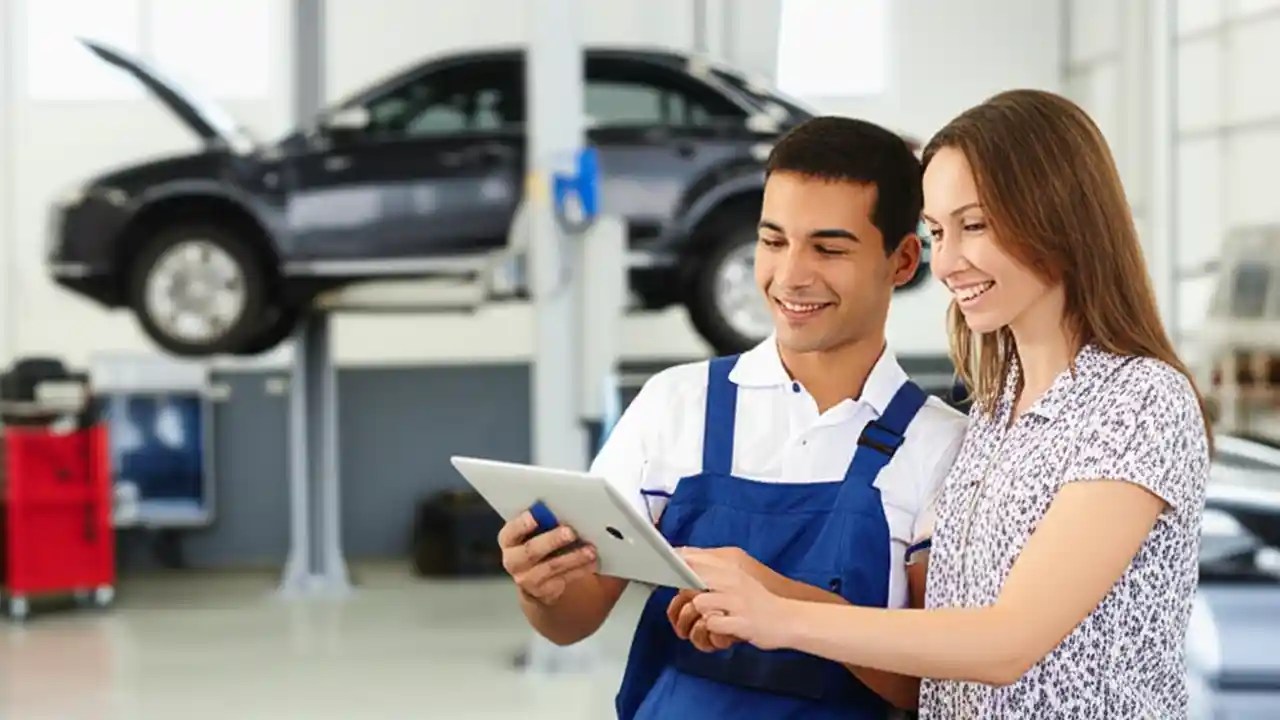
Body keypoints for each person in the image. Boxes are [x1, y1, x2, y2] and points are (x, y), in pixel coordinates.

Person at [683, 89, 1213, 719]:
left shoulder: (1138, 401)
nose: (949, 262)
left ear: (1059, 215)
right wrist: (767, 589)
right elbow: (945, 636)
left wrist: (781, 616)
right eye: (938, 231)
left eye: (976, 225)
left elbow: (1004, 642)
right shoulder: (996, 411)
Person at [495, 116, 968, 719]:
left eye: (828, 248)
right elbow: (572, 622)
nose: (791, 275)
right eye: (773, 241)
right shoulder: (676, 405)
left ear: (902, 261)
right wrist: (543, 588)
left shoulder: (942, 448)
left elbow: (938, 686)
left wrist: (774, 598)